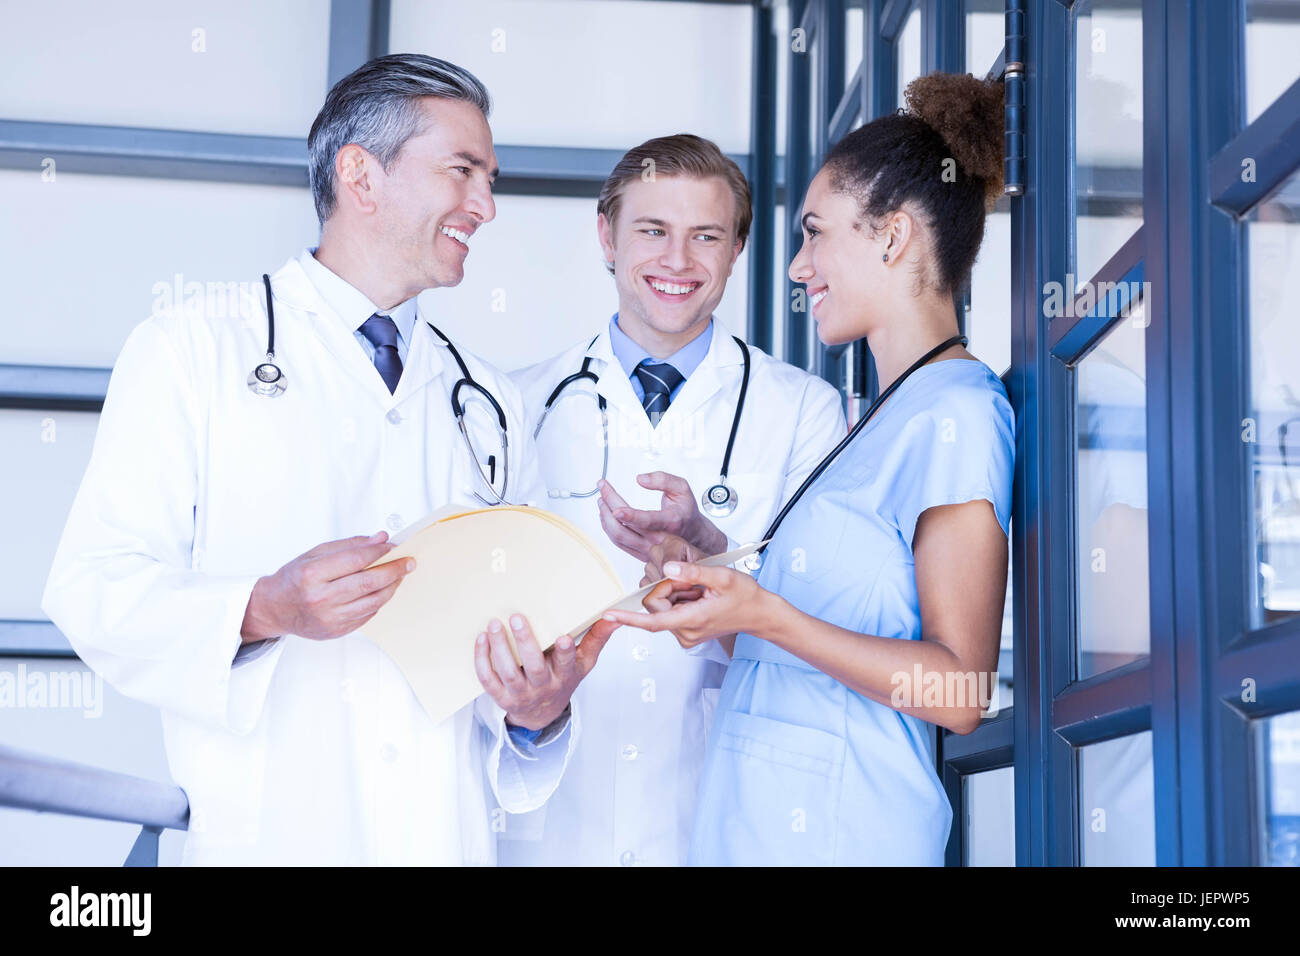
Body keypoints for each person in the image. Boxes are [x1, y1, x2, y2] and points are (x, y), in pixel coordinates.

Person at [40, 54, 615, 866]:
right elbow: (94, 588)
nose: (485, 206)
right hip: (266, 832)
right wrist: (265, 608)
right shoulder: (193, 348)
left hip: (435, 838)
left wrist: (536, 709)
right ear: (360, 174)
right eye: (463, 171)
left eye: (490, 178)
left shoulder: (487, 402)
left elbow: (501, 679)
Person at [603, 73, 1015, 865]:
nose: (797, 268)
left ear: (892, 238)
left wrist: (763, 613)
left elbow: (960, 694)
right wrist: (709, 562)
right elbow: (808, 636)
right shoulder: (885, 417)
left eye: (815, 233)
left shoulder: (956, 413)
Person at [504, 134, 846, 866]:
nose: (677, 261)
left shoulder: (803, 411)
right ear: (607, 235)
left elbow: (821, 629)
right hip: (557, 815)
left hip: (722, 816)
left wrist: (712, 554)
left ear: (737, 249)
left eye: (706, 237)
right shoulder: (515, 405)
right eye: (653, 231)